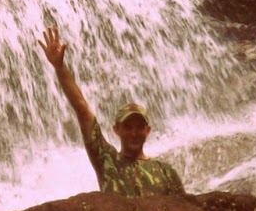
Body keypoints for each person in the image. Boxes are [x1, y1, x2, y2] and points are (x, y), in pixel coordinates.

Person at [39, 25, 185, 197]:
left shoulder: (166, 173)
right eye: (128, 127)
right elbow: (82, 110)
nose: (134, 133)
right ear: (116, 129)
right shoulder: (107, 161)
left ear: (148, 130)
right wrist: (59, 67)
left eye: (139, 127)